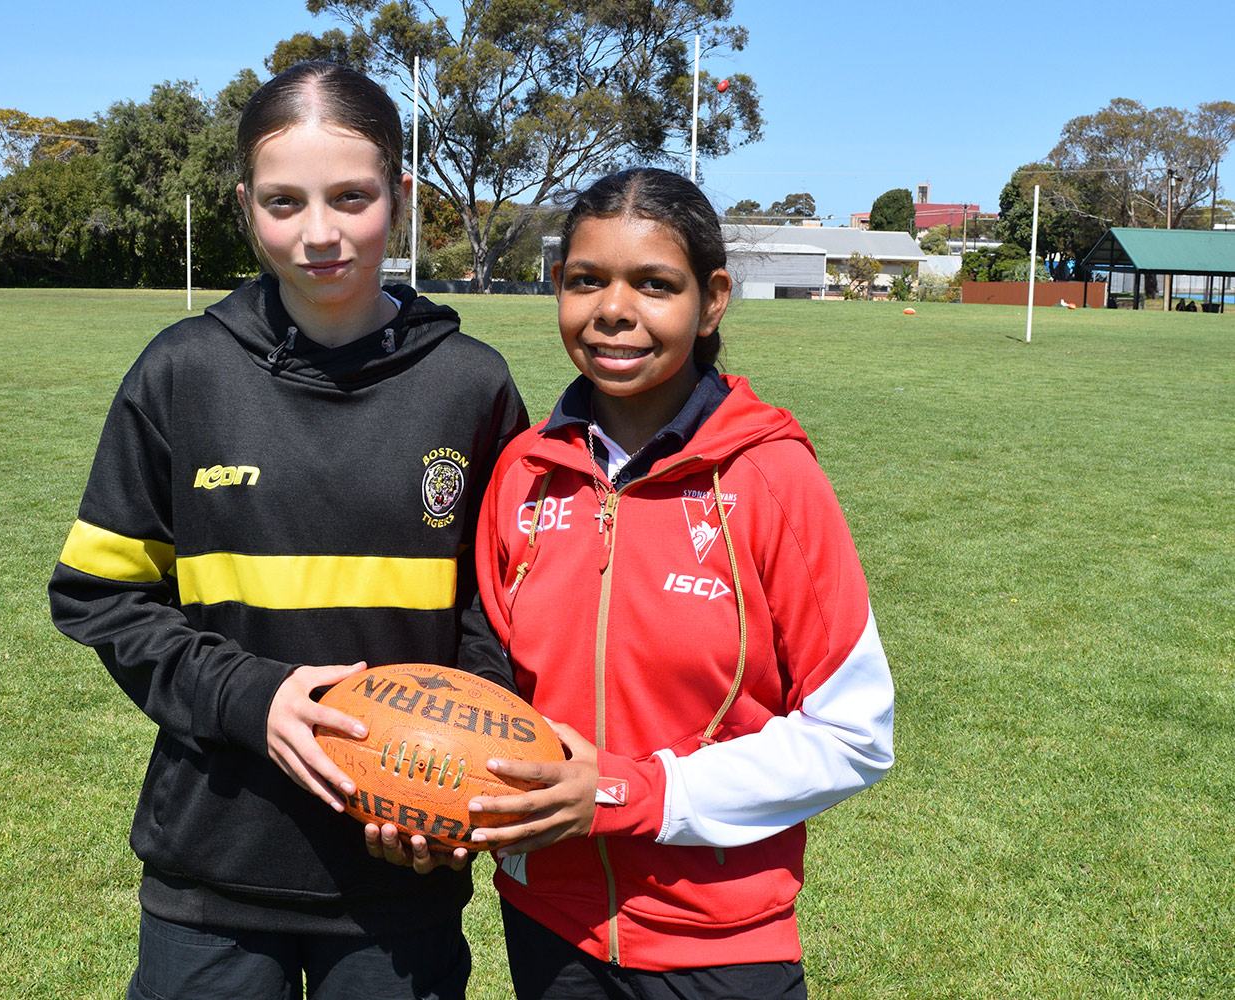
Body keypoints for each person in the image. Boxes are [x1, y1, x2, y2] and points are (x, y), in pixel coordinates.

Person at [48, 61, 527, 1000]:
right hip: (212, 867)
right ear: (244, 205)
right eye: (283, 201)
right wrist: (250, 699)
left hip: (399, 874)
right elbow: (100, 594)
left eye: (352, 197)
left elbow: (501, 610)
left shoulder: (470, 384)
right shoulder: (183, 371)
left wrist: (455, 787)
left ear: (401, 192)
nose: (319, 233)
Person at [470, 167, 895, 1000]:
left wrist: (633, 793)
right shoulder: (521, 472)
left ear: (712, 301)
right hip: (547, 927)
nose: (614, 310)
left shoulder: (771, 476)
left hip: (724, 944)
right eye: (585, 281)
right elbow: (487, 686)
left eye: (654, 284)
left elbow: (855, 733)